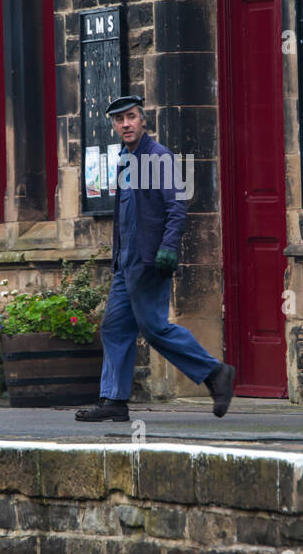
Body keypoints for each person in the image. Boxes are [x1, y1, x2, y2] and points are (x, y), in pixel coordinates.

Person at [76, 95, 235, 422]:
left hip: (149, 260)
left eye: (131, 117)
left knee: (154, 328)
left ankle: (215, 373)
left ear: (143, 120)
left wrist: (168, 247)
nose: (125, 124)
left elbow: (177, 207)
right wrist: (118, 256)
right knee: (115, 326)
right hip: (125, 262)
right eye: (119, 120)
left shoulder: (159, 157)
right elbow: (125, 213)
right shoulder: (123, 158)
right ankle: (114, 401)